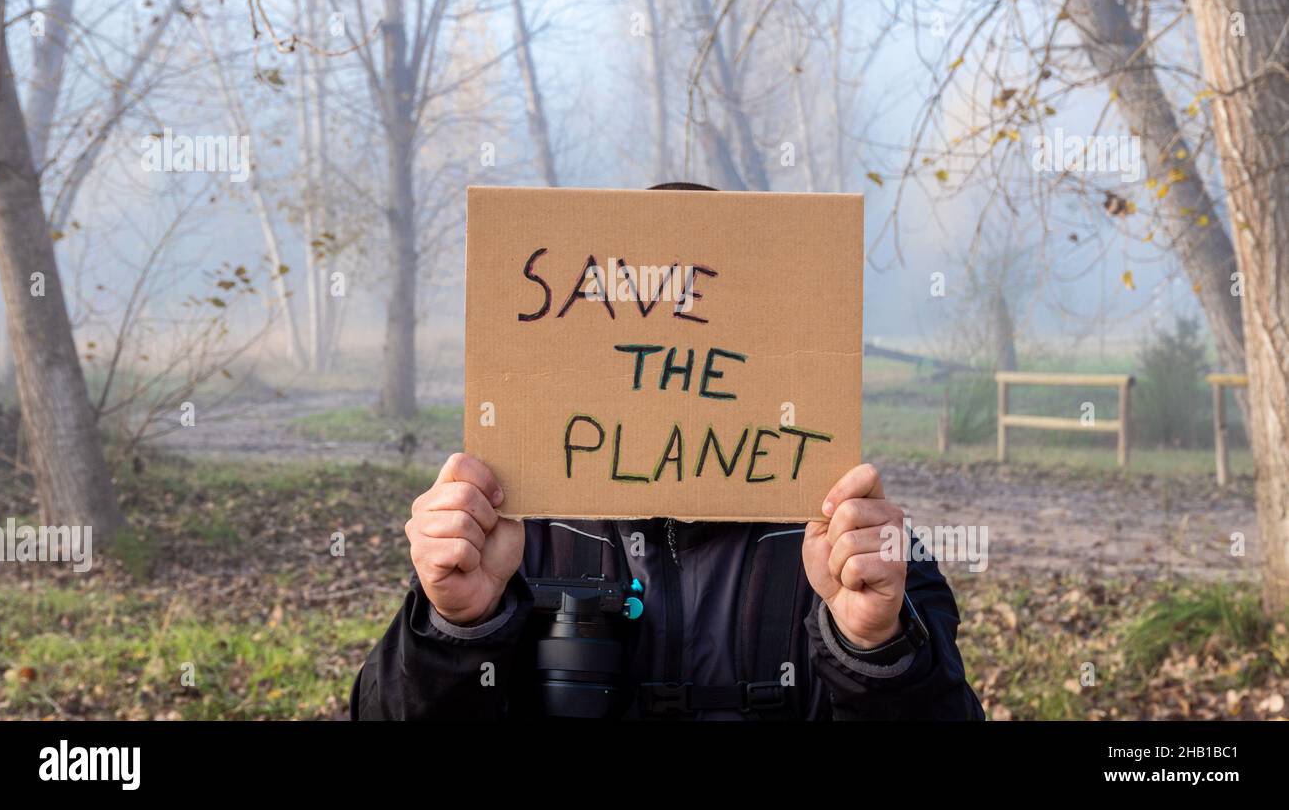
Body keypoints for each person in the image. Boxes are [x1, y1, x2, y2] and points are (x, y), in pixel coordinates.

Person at [351, 184, 984, 720]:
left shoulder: (853, 542)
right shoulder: (509, 526)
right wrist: (455, 629)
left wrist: (875, 647)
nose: (668, 373)